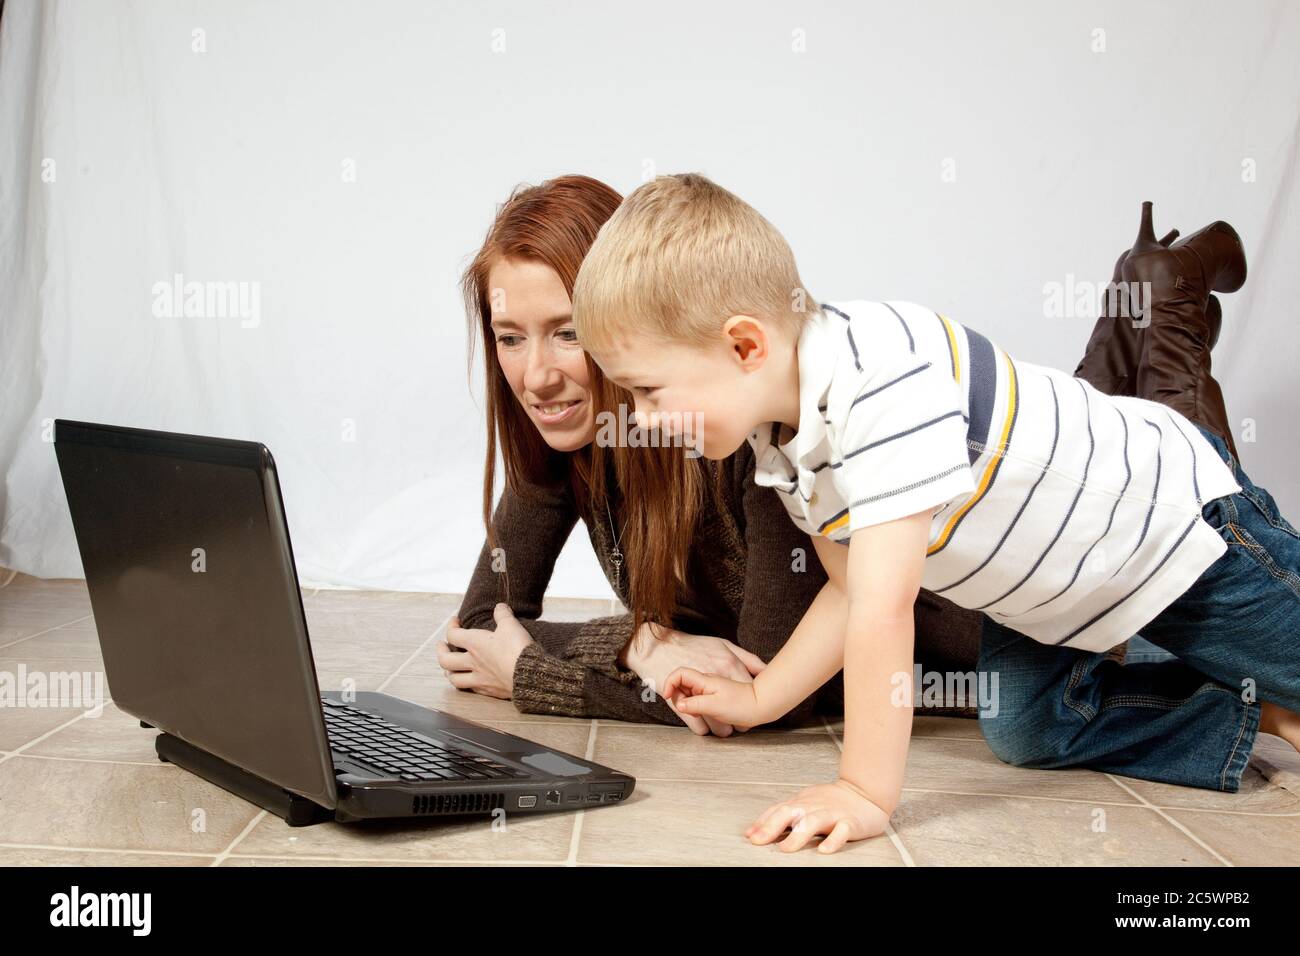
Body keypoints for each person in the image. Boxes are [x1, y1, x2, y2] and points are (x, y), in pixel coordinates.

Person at [568, 172, 1300, 854]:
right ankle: (1256, 710)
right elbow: (850, 588)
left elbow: (885, 611)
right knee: (1029, 729)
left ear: (745, 345)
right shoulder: (784, 445)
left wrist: (863, 789)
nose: (642, 419)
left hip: (1173, 530)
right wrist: (761, 697)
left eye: (650, 391)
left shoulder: (880, 383)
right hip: (1051, 592)